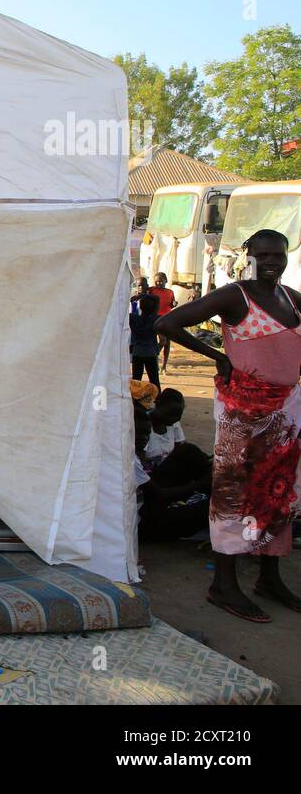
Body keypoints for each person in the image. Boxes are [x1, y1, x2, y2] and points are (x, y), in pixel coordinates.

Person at [156, 229, 301, 622]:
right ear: (248, 256)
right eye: (264, 255)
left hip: (286, 415)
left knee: (279, 495)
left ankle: (269, 576)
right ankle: (223, 584)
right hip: (244, 415)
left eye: (279, 255)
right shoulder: (235, 296)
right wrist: (217, 356)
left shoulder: (292, 299)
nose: (272, 261)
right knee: (232, 497)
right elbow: (167, 324)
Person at [137, 389, 212, 542]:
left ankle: (215, 488)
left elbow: (181, 450)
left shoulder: (171, 425)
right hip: (144, 514)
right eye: (143, 435)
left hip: (156, 489)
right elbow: (157, 494)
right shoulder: (133, 462)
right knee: (207, 510)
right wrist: (197, 484)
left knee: (190, 451)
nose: (145, 438)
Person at [129, 293, 161, 387]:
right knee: (154, 379)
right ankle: (158, 399)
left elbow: (133, 308)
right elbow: (157, 298)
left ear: (141, 308)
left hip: (137, 351)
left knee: (136, 379)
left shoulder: (133, 318)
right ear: (154, 309)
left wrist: (134, 300)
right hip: (150, 352)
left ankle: (135, 399)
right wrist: (145, 295)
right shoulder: (155, 319)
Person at [151, 272, 177, 370]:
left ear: (165, 281)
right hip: (155, 318)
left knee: (167, 342)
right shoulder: (151, 290)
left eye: (161, 281)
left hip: (167, 318)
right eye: (156, 281)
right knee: (162, 340)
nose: (158, 283)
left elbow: (171, 304)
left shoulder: (170, 292)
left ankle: (164, 366)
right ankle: (153, 356)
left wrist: (174, 304)